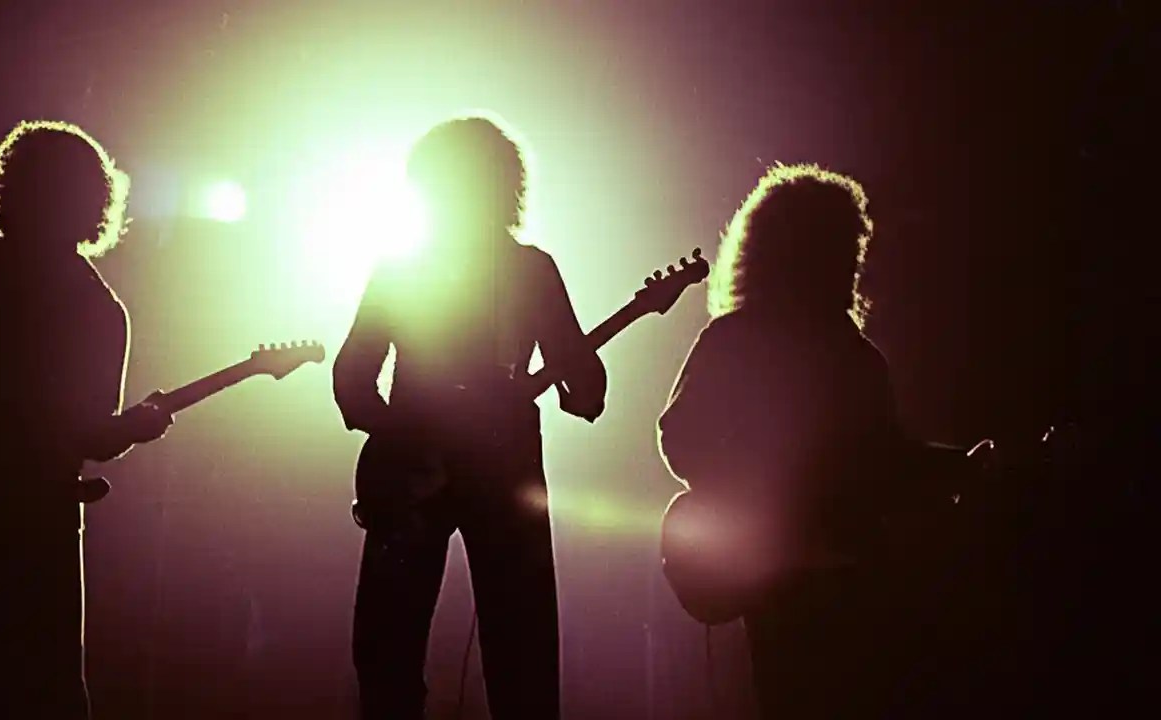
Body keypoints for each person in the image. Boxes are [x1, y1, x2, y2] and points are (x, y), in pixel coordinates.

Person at [0, 120, 173, 719]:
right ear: (94, 203)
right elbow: (92, 436)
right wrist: (136, 427)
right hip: (31, 532)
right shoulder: (99, 307)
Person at [333, 113, 607, 720]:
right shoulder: (528, 269)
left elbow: (351, 383)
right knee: (519, 655)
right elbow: (588, 397)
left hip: (444, 475)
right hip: (497, 475)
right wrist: (411, 440)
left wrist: (403, 441)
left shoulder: (407, 268)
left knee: (390, 655)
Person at [657, 163, 914, 719]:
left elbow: (890, 463)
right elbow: (681, 437)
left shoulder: (853, 357)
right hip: (791, 577)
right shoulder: (749, 342)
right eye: (840, 246)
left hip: (833, 574)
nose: (850, 261)